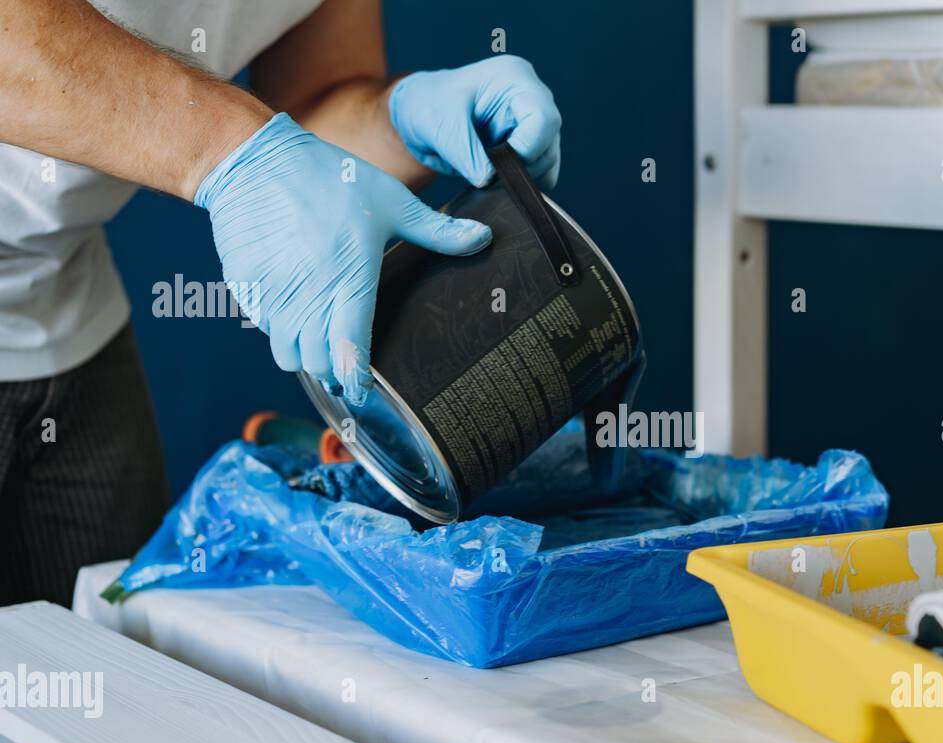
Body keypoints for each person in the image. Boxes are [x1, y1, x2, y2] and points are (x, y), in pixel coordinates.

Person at [0, 0, 561, 606]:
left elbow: (310, 115)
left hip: (67, 307)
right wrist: (230, 149)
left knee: (104, 646)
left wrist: (399, 121)